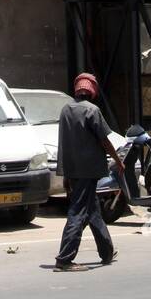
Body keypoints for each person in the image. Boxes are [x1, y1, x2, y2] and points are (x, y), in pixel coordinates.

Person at [54, 73, 127, 272]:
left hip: (74, 170)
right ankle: (65, 259)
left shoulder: (66, 109)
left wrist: (67, 175)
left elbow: (66, 143)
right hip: (88, 170)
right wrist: (118, 160)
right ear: (92, 90)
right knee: (78, 213)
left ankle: (107, 251)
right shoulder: (92, 110)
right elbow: (104, 140)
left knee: (93, 211)